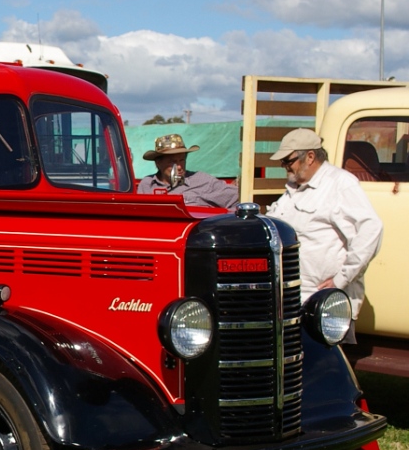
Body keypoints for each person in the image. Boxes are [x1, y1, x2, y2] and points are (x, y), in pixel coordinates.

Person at [266, 128, 383, 343]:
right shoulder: (293, 188)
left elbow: (371, 229)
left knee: (325, 369)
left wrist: (341, 279)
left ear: (310, 157)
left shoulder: (340, 183)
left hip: (326, 305)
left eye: (288, 161)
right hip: (292, 300)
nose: (285, 167)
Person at [137, 133, 238, 209]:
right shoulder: (146, 185)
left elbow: (237, 199)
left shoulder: (203, 181)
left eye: (182, 160)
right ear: (158, 163)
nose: (179, 167)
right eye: (172, 162)